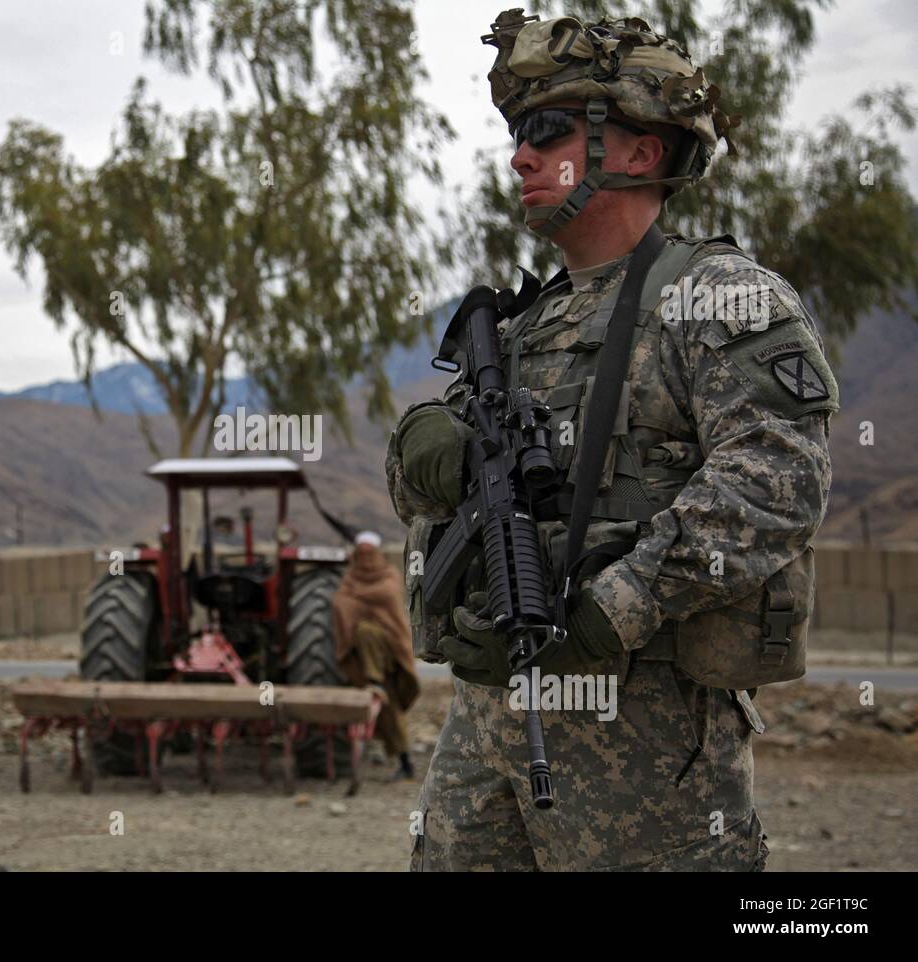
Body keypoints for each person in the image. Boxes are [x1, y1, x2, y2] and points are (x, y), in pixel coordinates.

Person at [386, 9, 838, 870]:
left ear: (640, 152)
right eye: (518, 133)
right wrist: (422, 454)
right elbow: (428, 493)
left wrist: (612, 608)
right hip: (490, 724)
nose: (520, 154)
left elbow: (775, 484)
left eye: (548, 130)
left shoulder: (717, 300)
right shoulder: (524, 321)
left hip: (644, 738)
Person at [332, 531, 421, 779]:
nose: (366, 559)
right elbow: (340, 604)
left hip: (389, 662)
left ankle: (405, 763)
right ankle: (392, 759)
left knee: (366, 630)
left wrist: (358, 599)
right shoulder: (351, 580)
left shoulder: (389, 576)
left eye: (369, 553)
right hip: (362, 661)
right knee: (379, 715)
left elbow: (387, 597)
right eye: (361, 554)